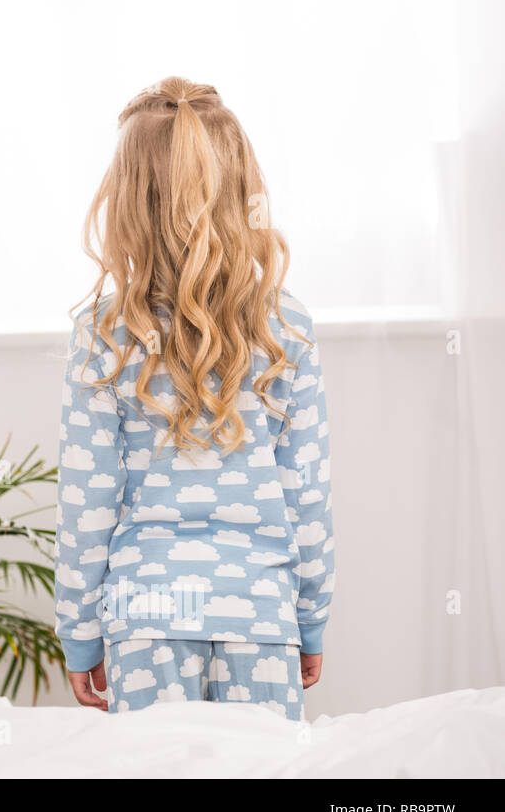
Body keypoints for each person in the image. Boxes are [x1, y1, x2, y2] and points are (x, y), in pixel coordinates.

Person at [56, 77, 334, 719]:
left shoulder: (102, 333)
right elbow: (308, 491)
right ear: (241, 193)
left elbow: (85, 500)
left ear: (128, 203)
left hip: (142, 614)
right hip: (260, 608)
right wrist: (309, 616)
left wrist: (80, 633)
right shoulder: (285, 327)